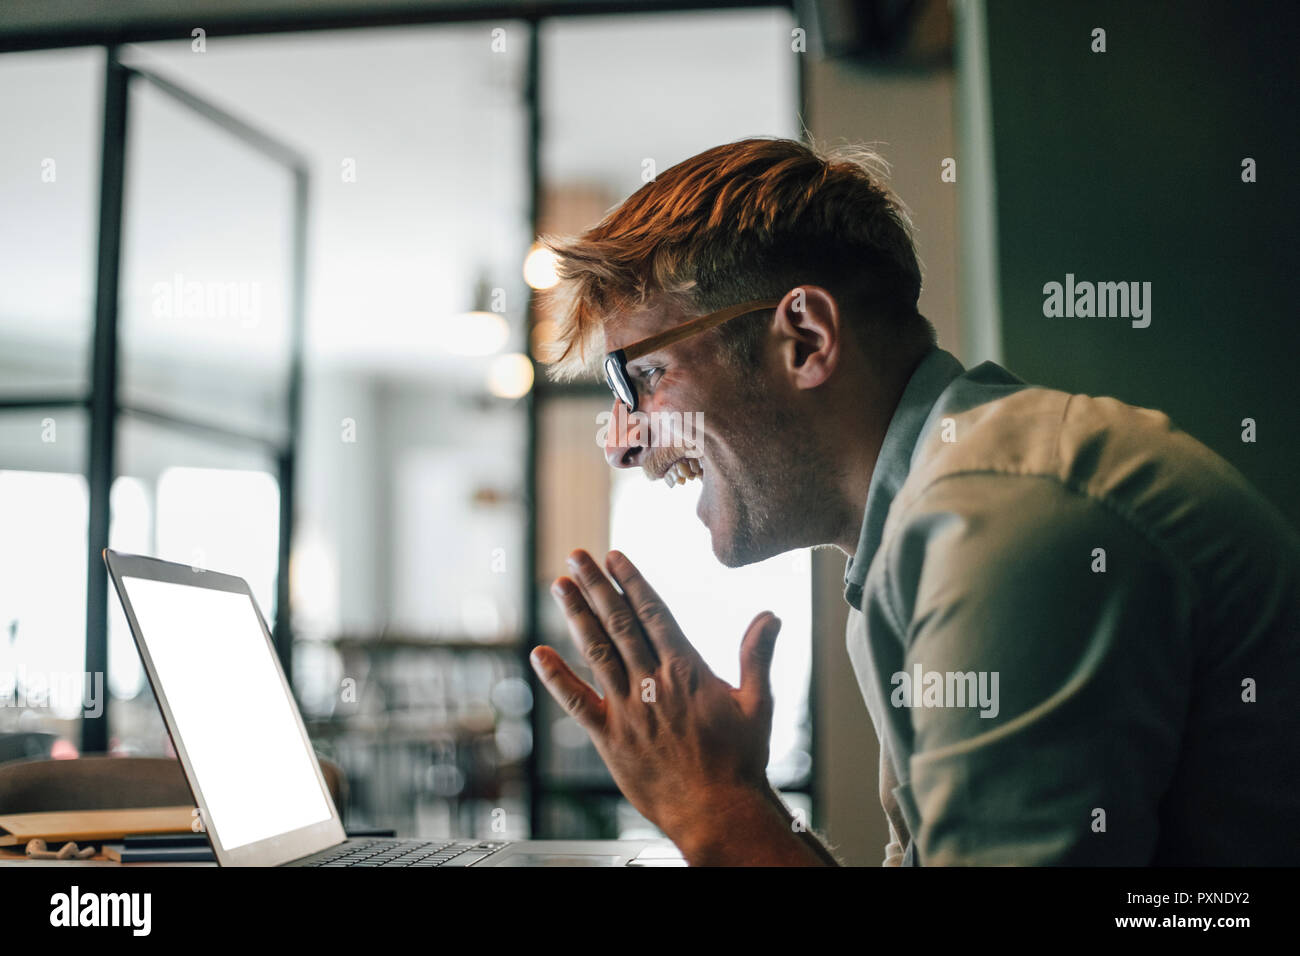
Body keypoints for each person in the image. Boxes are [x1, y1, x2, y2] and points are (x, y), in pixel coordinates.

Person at [526, 136, 1300, 865]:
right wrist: (735, 798)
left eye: (645, 377)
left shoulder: (1003, 520)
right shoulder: (919, 540)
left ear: (805, 339)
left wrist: (716, 809)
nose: (622, 441)